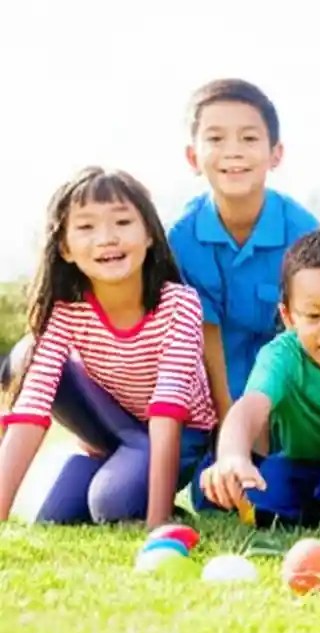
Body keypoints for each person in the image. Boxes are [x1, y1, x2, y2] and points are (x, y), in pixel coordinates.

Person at [0, 167, 216, 527]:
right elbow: (33, 405)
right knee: (54, 518)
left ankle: (141, 494)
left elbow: (168, 407)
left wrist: (157, 518)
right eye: (86, 227)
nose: (107, 238)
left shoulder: (178, 304)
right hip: (116, 430)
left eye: (122, 222)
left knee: (110, 504)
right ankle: (111, 462)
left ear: (149, 234)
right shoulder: (66, 311)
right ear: (65, 248)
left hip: (180, 434)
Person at [198, 229, 320, 529]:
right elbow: (250, 408)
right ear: (288, 317)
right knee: (264, 497)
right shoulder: (281, 355)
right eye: (314, 316)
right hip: (295, 461)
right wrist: (233, 455)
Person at [167, 78, 320, 427]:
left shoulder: (304, 232)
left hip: (290, 390)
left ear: (275, 153)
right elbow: (204, 331)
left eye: (249, 138)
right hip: (210, 397)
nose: (233, 151)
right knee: (214, 479)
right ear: (193, 156)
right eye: (215, 139)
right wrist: (227, 421)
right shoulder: (181, 238)